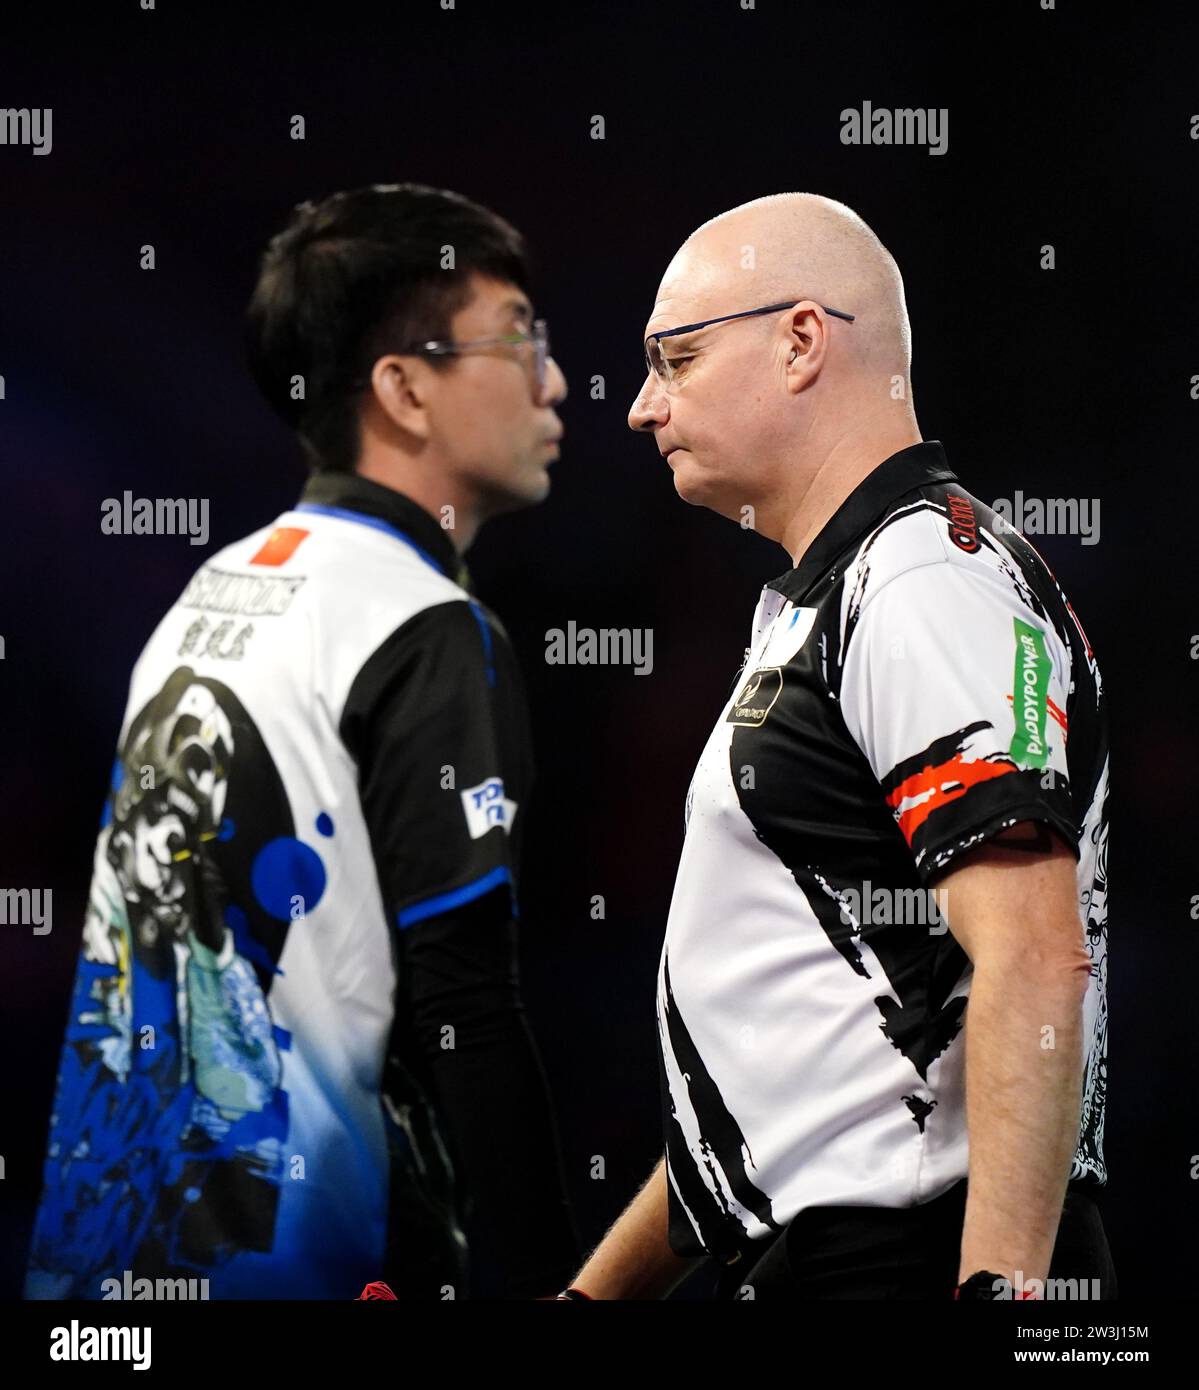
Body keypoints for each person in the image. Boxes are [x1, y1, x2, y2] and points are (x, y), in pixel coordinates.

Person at [25, 182, 578, 1300]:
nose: (554, 381)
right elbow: (464, 1005)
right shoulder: (421, 625)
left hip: (92, 1282)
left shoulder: (207, 589)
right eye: (517, 336)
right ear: (405, 387)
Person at [556, 193, 1112, 1301]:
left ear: (800, 340)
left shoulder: (919, 582)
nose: (641, 408)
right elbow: (799, 1081)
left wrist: (999, 1297)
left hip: (904, 1260)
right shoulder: (830, 603)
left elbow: (1035, 956)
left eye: (675, 358)